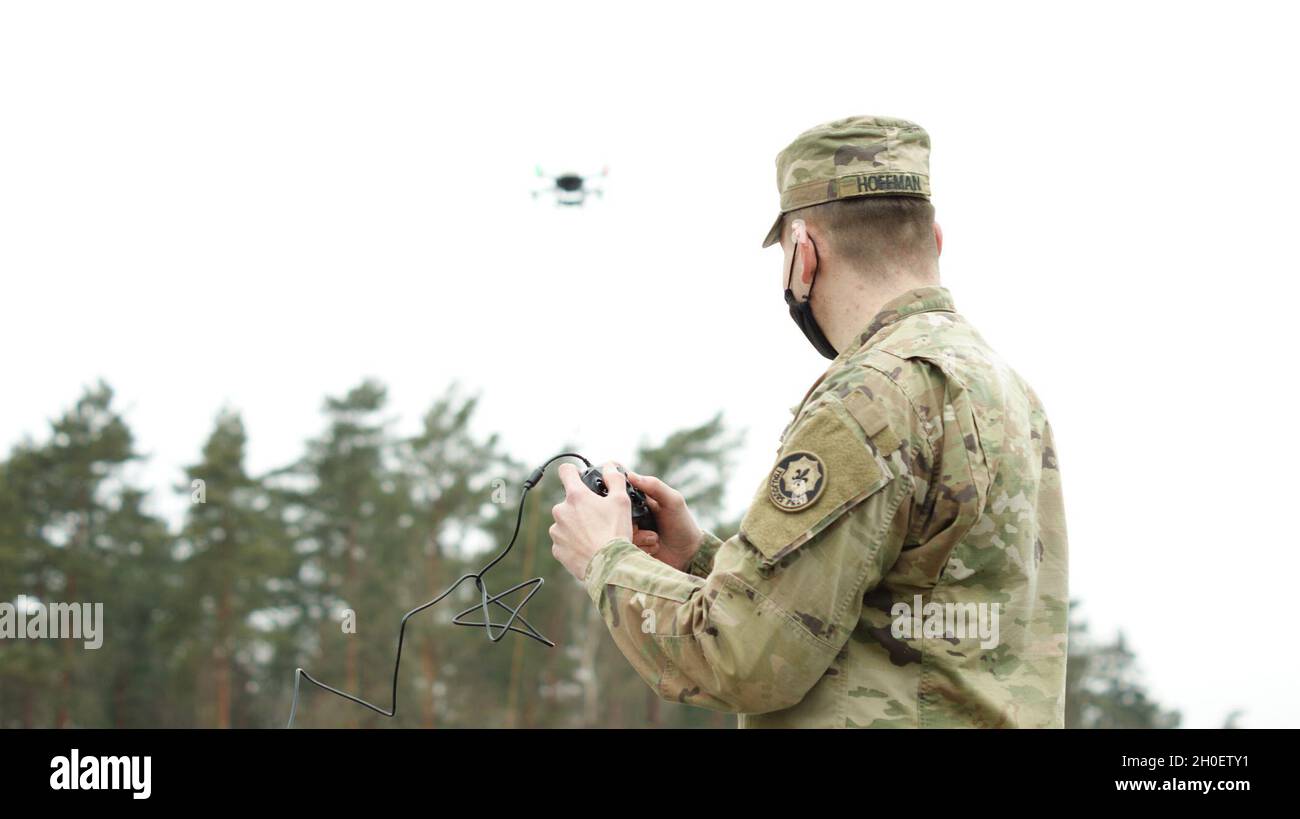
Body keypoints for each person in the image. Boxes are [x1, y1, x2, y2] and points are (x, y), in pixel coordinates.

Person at [547, 115, 1069, 728]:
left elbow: (742, 657)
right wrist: (697, 560)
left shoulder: (869, 397)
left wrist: (605, 558)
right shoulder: (1001, 387)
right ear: (936, 239)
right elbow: (893, 621)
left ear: (803, 252)